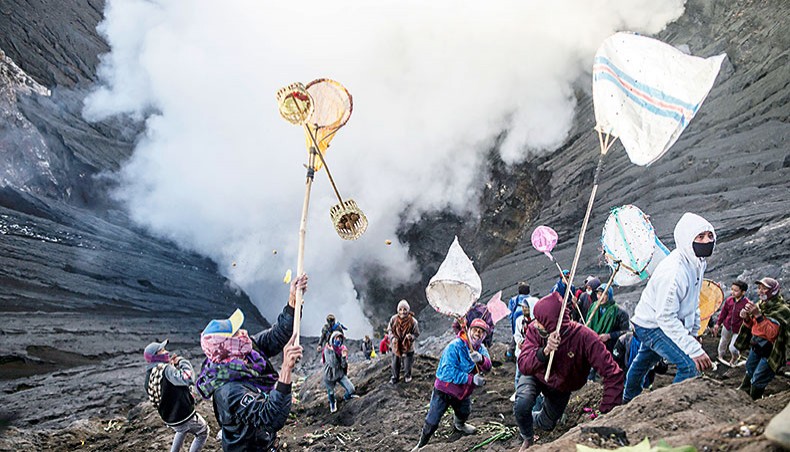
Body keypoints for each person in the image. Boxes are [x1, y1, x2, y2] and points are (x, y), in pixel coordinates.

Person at [196, 274, 307, 451]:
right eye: (236, 333)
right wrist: (286, 369)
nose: (243, 333)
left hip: (261, 440)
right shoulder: (229, 390)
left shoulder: (245, 350)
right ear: (225, 345)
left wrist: (293, 300)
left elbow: (276, 335)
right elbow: (270, 417)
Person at [623, 213, 715, 403]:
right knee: (689, 365)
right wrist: (693, 349)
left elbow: (692, 301)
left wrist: (693, 332)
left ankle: (627, 398)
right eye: (700, 237)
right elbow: (665, 317)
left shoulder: (696, 261)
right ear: (687, 239)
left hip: (657, 321)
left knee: (644, 360)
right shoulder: (674, 273)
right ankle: (671, 406)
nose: (707, 241)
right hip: (651, 325)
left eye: (710, 235)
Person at [514, 292, 623, 451]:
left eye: (541, 321)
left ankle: (529, 419)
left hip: (561, 386)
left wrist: (606, 414)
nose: (536, 323)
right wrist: (544, 351)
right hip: (536, 374)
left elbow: (613, 373)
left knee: (547, 424)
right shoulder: (534, 330)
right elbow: (524, 364)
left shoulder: (585, 338)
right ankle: (527, 437)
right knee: (522, 403)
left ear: (552, 323)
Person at [411, 319, 492, 451]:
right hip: (444, 390)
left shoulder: (481, 349)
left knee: (464, 411)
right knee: (432, 421)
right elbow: (447, 373)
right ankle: (421, 443)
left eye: (481, 332)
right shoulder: (454, 346)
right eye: (475, 330)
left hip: (462, 392)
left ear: (484, 336)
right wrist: (471, 379)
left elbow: (488, 367)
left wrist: (482, 359)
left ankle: (459, 425)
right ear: (469, 330)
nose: (478, 333)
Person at [144, 340, 209, 452]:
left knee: (181, 430)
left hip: (169, 417)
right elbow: (188, 378)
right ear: (155, 356)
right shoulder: (167, 370)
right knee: (203, 432)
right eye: (162, 350)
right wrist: (181, 361)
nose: (167, 352)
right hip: (183, 415)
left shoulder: (150, 375)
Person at [735, 277, 790, 400]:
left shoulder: (781, 310)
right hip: (757, 346)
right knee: (750, 367)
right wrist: (746, 318)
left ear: (773, 291)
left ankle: (755, 399)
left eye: (764, 289)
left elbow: (772, 334)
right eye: (759, 288)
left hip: (770, 350)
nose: (760, 291)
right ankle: (744, 390)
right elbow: (753, 326)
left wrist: (758, 315)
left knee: (759, 377)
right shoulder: (761, 305)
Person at [713, 280, 750, 366]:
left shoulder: (747, 304)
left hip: (738, 329)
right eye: (732, 289)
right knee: (723, 342)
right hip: (727, 326)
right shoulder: (729, 300)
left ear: (743, 292)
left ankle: (735, 358)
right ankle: (720, 356)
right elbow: (723, 313)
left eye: (736, 290)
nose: (732, 292)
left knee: (733, 348)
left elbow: (749, 319)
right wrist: (718, 323)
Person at [323, 330, 358, 412]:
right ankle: (332, 402)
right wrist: (333, 352)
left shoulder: (343, 349)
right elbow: (333, 364)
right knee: (331, 393)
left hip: (339, 374)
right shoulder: (327, 349)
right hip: (329, 375)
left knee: (351, 389)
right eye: (336, 338)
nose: (338, 340)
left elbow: (343, 365)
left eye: (340, 338)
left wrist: (343, 357)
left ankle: (346, 397)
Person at [388, 299, 420, 383]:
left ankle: (407, 376)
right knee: (395, 363)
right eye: (400, 309)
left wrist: (411, 337)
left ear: (408, 310)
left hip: (408, 346)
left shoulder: (413, 321)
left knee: (407, 363)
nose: (403, 312)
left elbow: (416, 333)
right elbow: (389, 330)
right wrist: (392, 338)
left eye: (405, 309)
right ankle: (395, 377)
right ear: (398, 310)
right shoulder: (393, 319)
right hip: (396, 345)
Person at [507, 282, 539, 361]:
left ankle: (510, 355)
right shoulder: (532, 301)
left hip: (516, 320)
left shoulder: (514, 300)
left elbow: (509, 312)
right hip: (530, 322)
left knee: (517, 336)